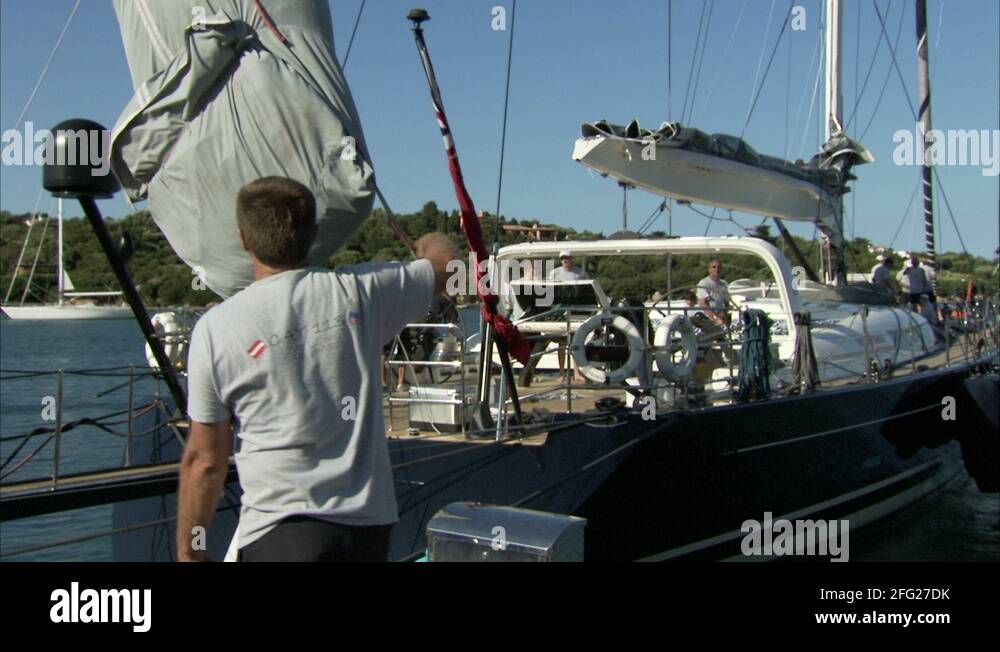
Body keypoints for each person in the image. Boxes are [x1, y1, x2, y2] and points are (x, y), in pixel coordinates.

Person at [178, 176, 459, 562]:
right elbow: (448, 264)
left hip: (277, 534)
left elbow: (205, 462)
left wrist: (191, 549)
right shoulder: (362, 292)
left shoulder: (216, 329)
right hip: (366, 532)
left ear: (243, 239)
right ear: (314, 234)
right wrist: (424, 243)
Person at [548, 250, 588, 382]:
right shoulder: (554, 273)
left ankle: (576, 372)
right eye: (562, 258)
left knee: (575, 341)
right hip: (559, 310)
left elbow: (587, 289)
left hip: (575, 309)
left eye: (567, 258)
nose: (565, 260)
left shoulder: (580, 273)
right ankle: (561, 373)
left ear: (572, 259)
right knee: (561, 343)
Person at [696, 260, 732, 327]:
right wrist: (715, 318)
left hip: (722, 317)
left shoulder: (723, 284)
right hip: (707, 318)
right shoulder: (704, 283)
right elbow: (702, 303)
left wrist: (724, 314)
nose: (716, 269)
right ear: (709, 269)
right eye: (714, 267)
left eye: (719, 267)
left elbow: (727, 302)